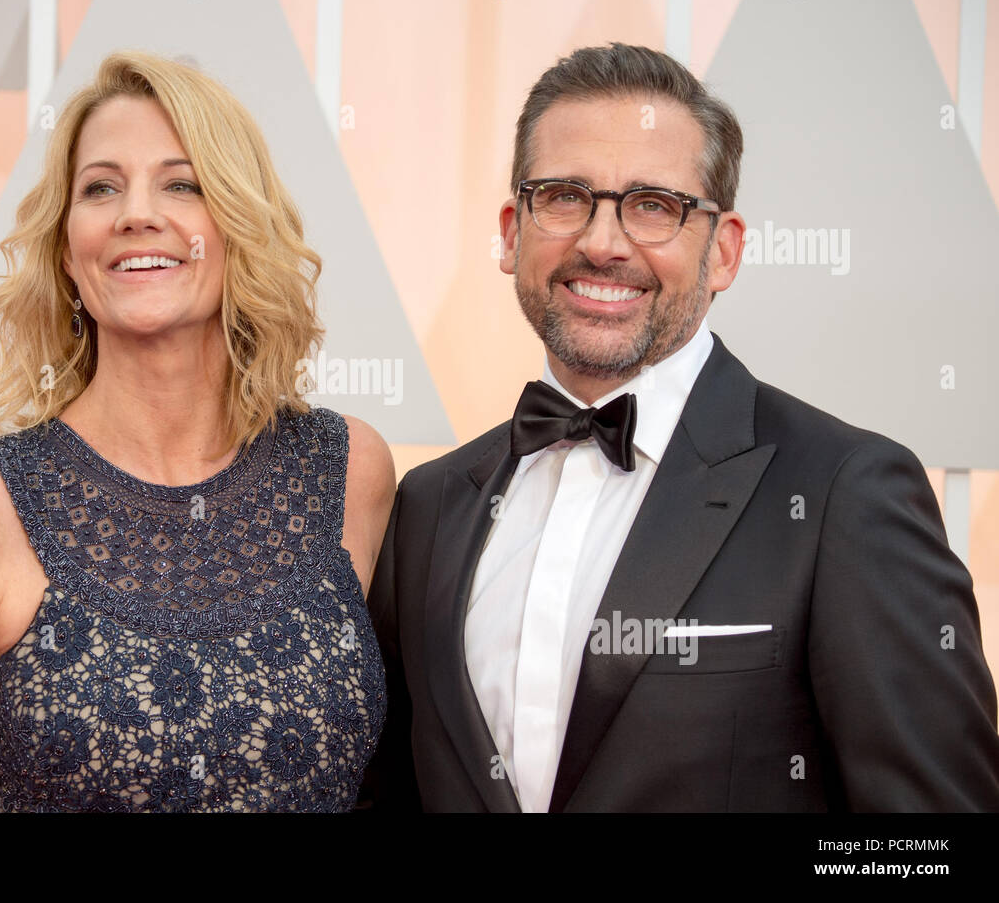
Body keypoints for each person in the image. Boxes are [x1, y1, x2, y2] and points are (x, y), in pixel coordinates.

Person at [361, 42, 999, 812]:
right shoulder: (429, 505)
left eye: (654, 206)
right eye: (565, 196)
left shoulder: (844, 493)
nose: (601, 242)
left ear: (723, 251)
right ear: (510, 229)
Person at [0, 50, 395, 812]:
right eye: (101, 188)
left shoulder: (349, 471)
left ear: (238, 223)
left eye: (180, 183)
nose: (135, 212)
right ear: (67, 250)